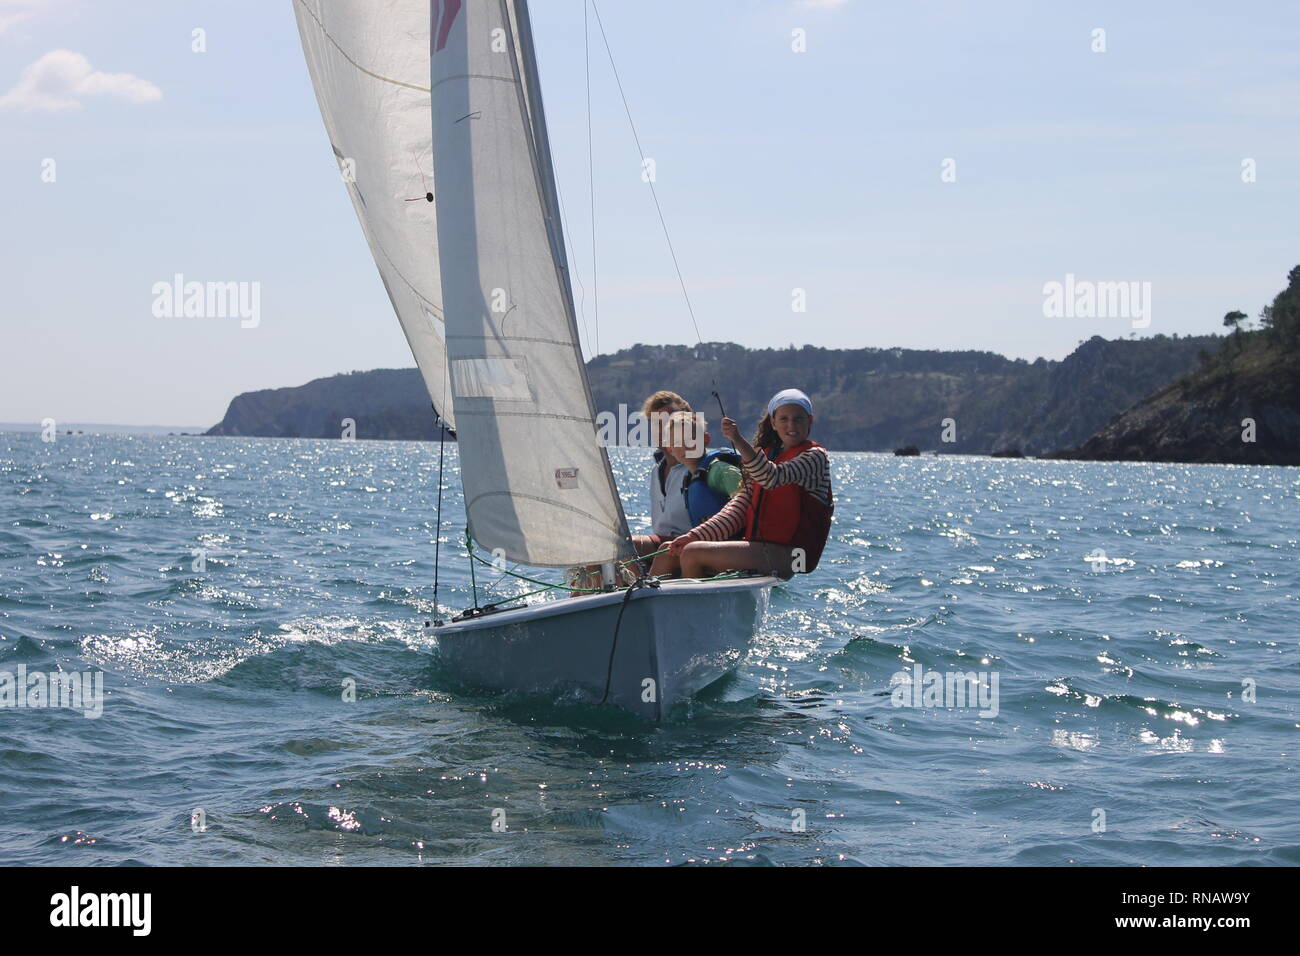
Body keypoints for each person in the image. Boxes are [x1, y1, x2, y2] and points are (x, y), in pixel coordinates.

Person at [658, 388, 833, 580]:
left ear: (810, 420)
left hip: (794, 556)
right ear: (773, 423)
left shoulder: (815, 458)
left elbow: (771, 478)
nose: (791, 424)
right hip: (760, 549)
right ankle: (645, 605)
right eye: (784, 419)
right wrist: (694, 535)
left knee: (692, 553)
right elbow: (737, 510)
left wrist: (737, 439)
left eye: (798, 418)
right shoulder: (766, 457)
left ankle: (694, 608)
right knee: (668, 552)